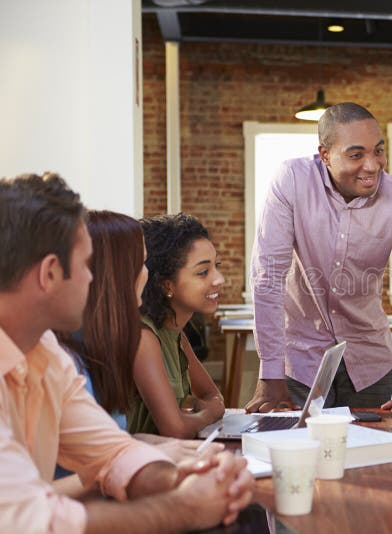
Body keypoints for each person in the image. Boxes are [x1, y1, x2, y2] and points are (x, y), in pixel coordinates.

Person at [0, 172, 252, 532]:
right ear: (50, 274)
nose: (95, 277)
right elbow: (36, 523)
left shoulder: (45, 351)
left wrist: (185, 475)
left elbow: (113, 453)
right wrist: (184, 507)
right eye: (87, 265)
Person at [247, 102, 392, 412]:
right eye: (356, 154)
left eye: (378, 151)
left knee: (368, 458)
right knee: (298, 455)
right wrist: (270, 370)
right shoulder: (291, 180)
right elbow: (268, 278)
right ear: (325, 155)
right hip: (300, 361)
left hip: (370, 365)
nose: (372, 165)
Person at [53, 211, 221, 486]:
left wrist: (148, 446)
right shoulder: (68, 359)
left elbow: (105, 439)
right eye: (140, 264)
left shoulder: (100, 342)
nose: (146, 274)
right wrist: (148, 451)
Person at [128, 213, 226, 438]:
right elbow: (175, 428)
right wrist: (208, 413)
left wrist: (199, 411)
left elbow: (213, 396)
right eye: (203, 272)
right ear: (166, 284)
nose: (219, 279)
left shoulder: (174, 332)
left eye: (216, 266)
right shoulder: (145, 337)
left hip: (171, 457)